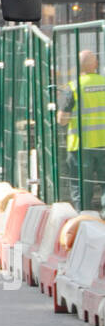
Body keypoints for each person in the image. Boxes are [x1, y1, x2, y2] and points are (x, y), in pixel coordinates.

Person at [57, 49, 105, 209]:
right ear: (96, 65)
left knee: (81, 187)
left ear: (77, 67)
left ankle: (83, 220)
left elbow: (62, 120)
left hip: (80, 146)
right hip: (103, 144)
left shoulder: (72, 87)